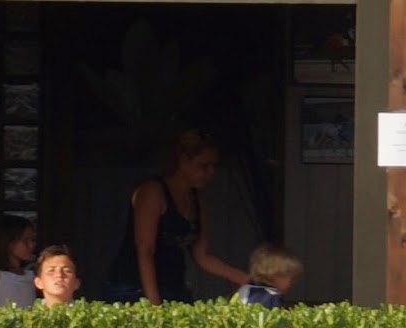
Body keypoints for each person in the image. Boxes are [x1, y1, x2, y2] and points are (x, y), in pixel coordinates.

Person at [103, 130, 248, 304]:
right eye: (204, 165)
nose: (211, 172)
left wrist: (248, 279)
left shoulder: (197, 198)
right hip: (134, 287)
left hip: (173, 285)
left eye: (213, 166)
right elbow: (145, 250)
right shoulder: (153, 191)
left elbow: (202, 256)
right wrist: (154, 306)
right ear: (184, 160)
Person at [0, 213, 38, 308]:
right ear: (9, 242)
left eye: (32, 240)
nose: (31, 245)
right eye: (25, 240)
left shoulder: (32, 276)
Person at [234, 243, 303, 307]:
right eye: (291, 278)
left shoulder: (245, 289)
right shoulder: (271, 297)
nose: (293, 282)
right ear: (274, 274)